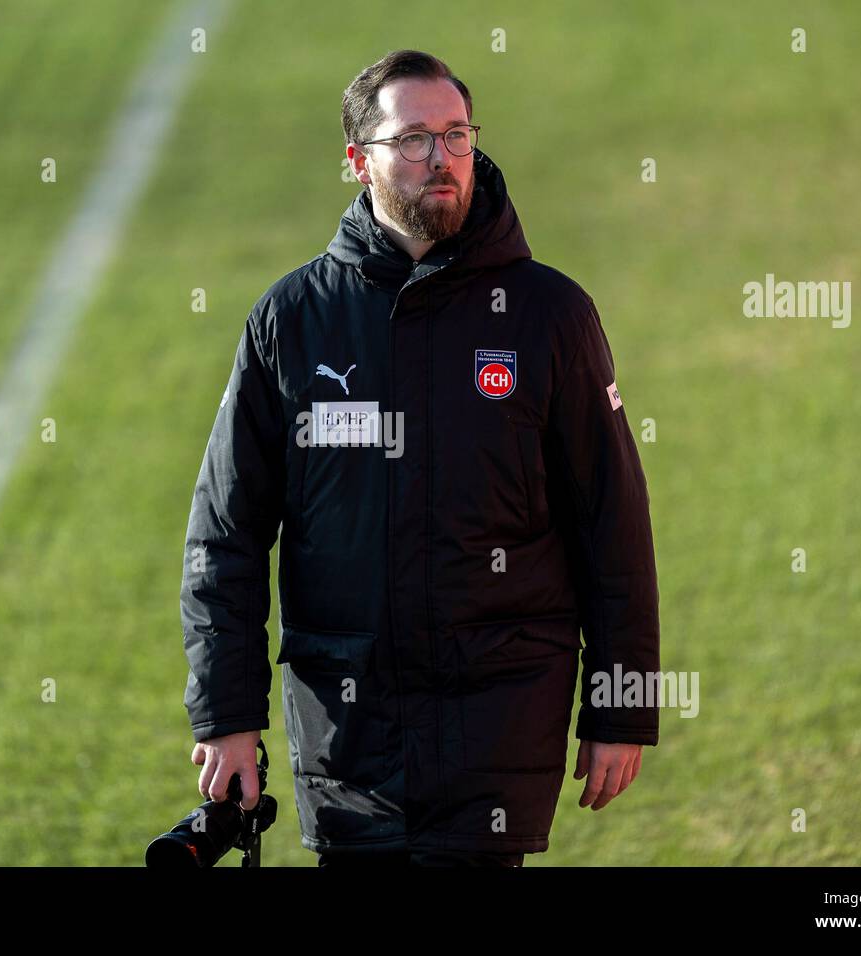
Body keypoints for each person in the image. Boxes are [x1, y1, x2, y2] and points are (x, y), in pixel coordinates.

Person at [180, 49, 659, 867]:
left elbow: (612, 525)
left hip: (498, 721)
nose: (441, 159)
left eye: (457, 135)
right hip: (348, 731)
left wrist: (621, 710)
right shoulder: (290, 320)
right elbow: (225, 533)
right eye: (413, 139)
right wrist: (226, 715)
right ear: (356, 159)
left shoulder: (550, 315)